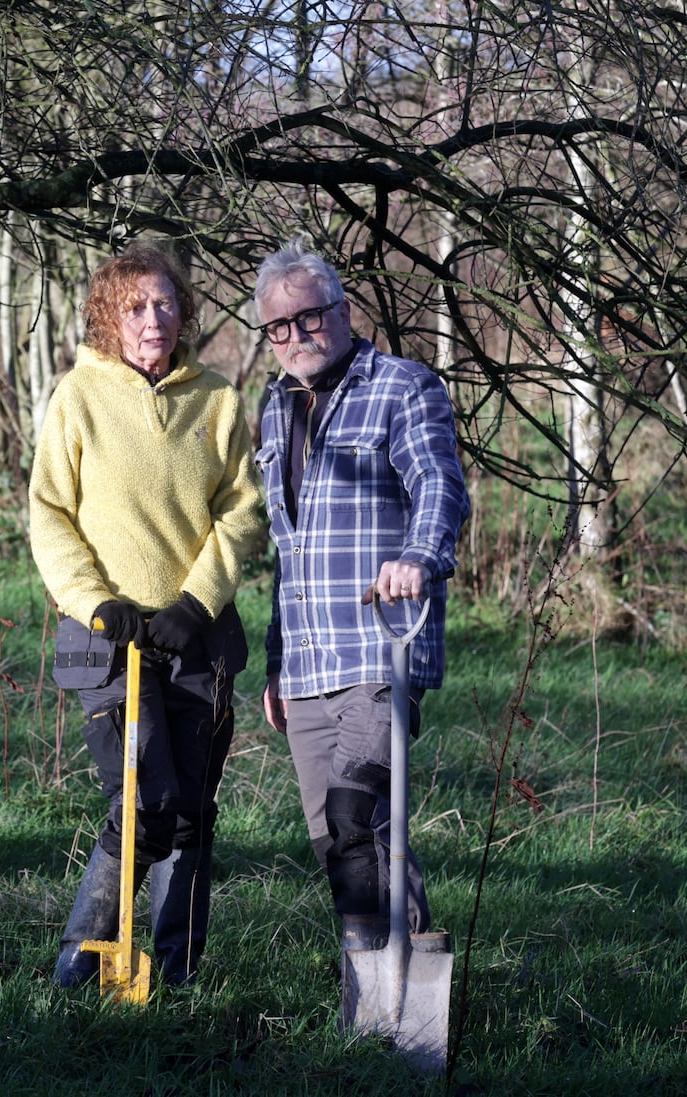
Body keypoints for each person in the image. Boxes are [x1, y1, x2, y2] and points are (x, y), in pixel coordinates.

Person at [28, 241, 260, 988]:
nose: (153, 319)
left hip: (198, 638)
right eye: (135, 307)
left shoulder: (217, 399)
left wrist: (198, 601)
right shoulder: (78, 396)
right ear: (108, 316)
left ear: (184, 310)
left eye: (165, 303)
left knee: (191, 808)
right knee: (146, 798)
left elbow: (243, 511)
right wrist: (96, 603)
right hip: (109, 642)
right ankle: (80, 962)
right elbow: (49, 514)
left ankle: (176, 974)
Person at [252, 240, 470, 955]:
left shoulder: (403, 387)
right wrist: (276, 662)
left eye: (308, 318)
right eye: (277, 327)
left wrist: (417, 554)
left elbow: (439, 484)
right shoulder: (273, 408)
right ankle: (376, 985)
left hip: (381, 649)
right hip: (308, 664)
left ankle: (397, 992)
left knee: (356, 813)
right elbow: (289, 546)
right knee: (340, 841)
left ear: (343, 312)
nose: (294, 338)